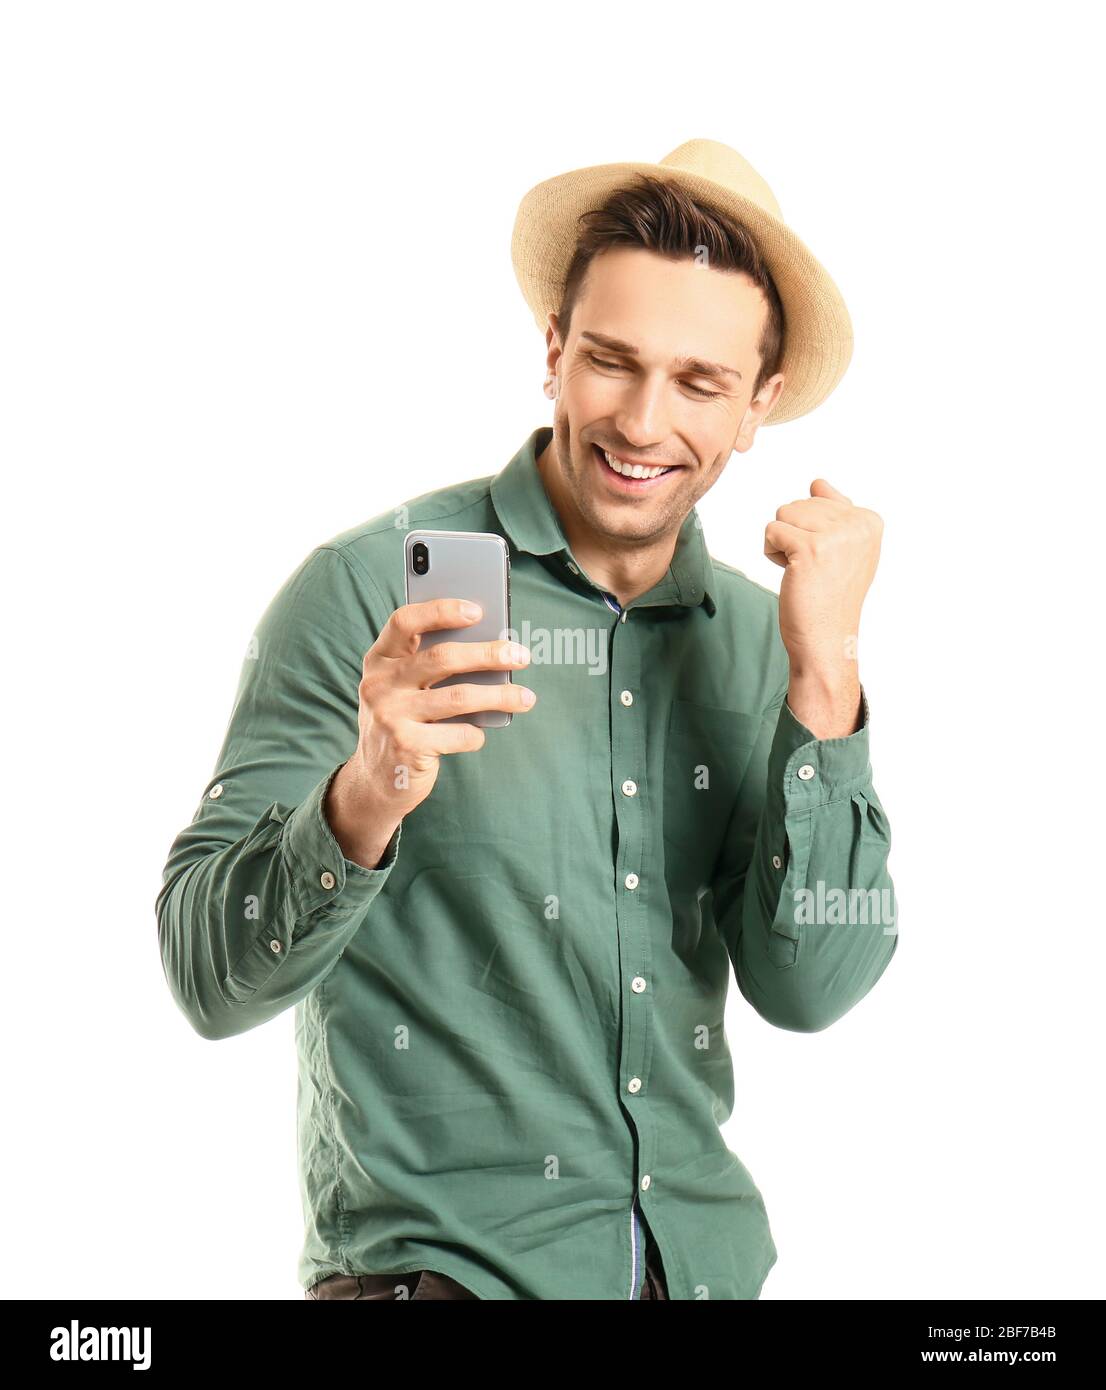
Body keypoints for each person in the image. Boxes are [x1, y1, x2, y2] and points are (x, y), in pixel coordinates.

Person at [156, 138, 897, 1300]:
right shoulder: (366, 592)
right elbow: (208, 978)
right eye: (609, 360)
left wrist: (824, 682)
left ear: (757, 406)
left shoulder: (772, 639)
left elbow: (814, 987)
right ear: (552, 351)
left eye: (699, 382)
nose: (643, 422)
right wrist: (368, 794)